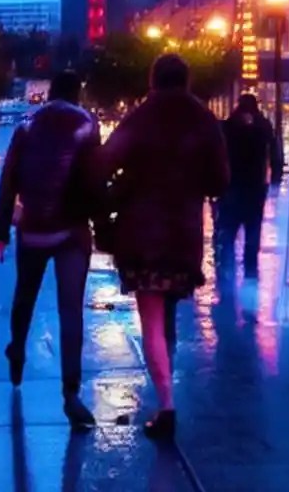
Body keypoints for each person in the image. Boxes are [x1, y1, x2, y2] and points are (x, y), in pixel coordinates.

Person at [95, 54, 230, 441]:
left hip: (142, 235)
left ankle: (166, 404)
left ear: (153, 80)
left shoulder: (141, 116)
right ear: (187, 80)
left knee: (152, 321)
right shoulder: (203, 119)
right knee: (167, 314)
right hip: (182, 235)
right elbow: (219, 182)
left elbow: (102, 165)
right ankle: (165, 387)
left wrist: (120, 194)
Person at [0, 70, 100, 429]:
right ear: (78, 92)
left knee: (25, 295)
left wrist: (1, 232)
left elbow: (9, 179)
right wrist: (104, 226)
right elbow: (92, 180)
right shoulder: (87, 124)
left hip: (33, 228)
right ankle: (71, 392)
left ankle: (17, 349)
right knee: (71, 311)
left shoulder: (27, 126)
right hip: (72, 230)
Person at [217, 94, 276, 277]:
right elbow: (273, 151)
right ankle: (250, 269)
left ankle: (226, 268)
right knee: (252, 230)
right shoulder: (262, 127)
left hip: (231, 186)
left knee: (228, 231)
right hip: (254, 186)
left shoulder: (228, 127)